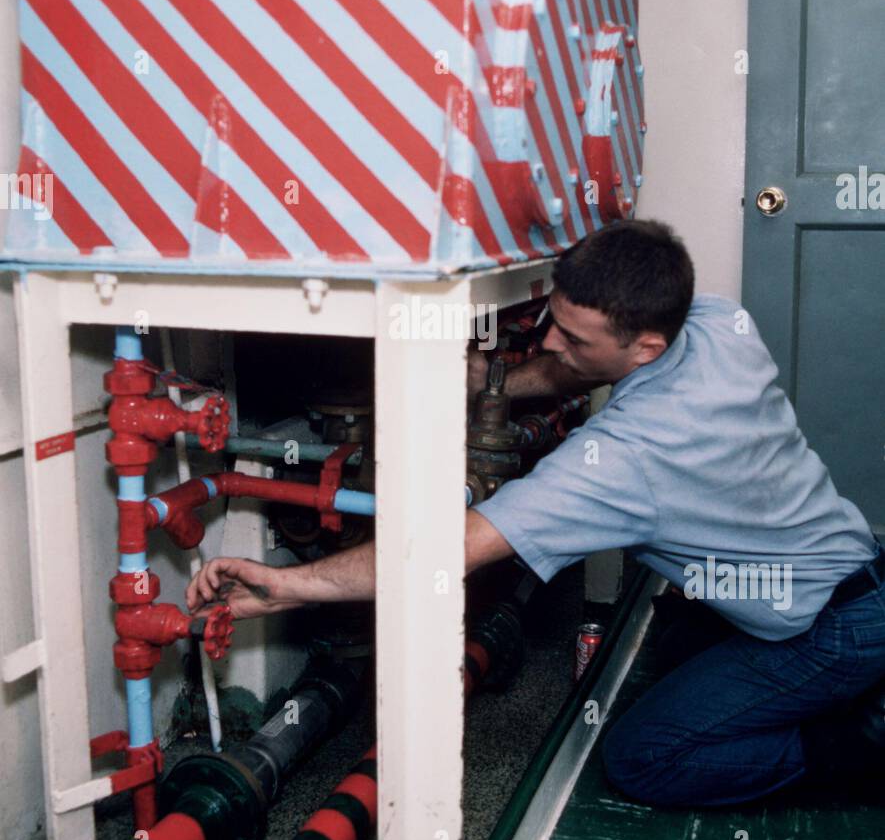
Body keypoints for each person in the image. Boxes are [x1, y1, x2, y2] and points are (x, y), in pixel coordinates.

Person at [186, 220, 885, 808]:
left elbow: (443, 550)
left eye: (574, 339)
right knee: (675, 645)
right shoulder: (718, 322)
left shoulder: (624, 460)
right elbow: (577, 367)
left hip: (827, 630)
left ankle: (861, 743)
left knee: (646, 758)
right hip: (852, 567)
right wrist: (492, 384)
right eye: (555, 320)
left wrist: (289, 586)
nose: (551, 342)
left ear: (645, 346)